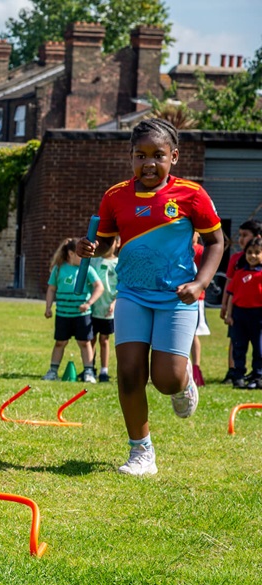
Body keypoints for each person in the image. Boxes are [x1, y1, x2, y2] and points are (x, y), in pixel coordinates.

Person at [77, 118, 223, 476]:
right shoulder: (115, 196)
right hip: (131, 294)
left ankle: (183, 382)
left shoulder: (192, 194)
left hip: (177, 297)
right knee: (128, 374)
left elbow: (216, 242)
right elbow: (108, 242)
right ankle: (141, 452)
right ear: (130, 158)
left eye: (158, 155)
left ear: (173, 156)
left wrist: (200, 283)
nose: (149, 163)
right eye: (140, 155)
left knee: (166, 380)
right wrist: (91, 248)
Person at [42, 238, 104, 383]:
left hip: (82, 315)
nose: (84, 257)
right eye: (80, 253)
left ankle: (89, 372)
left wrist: (88, 303)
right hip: (63, 314)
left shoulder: (87, 269)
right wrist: (48, 308)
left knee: (85, 343)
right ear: (70, 253)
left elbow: (99, 287)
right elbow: (51, 289)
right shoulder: (59, 269)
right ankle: (53, 371)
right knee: (60, 343)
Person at [220, 220, 262, 383]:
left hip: (258, 315)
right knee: (237, 343)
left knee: (258, 347)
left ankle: (257, 374)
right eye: (240, 235)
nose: (240, 240)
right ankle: (235, 372)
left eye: (245, 235)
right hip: (239, 312)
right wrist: (225, 307)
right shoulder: (238, 263)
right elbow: (230, 287)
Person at [89, 236, 119, 382]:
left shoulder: (117, 264)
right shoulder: (94, 261)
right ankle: (89, 368)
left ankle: (104, 371)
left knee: (104, 340)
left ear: (117, 243)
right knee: (91, 339)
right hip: (93, 308)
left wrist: (114, 303)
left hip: (108, 309)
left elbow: (120, 287)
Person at [190, 232, 208, 386]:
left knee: (193, 334)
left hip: (197, 298)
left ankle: (196, 367)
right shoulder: (180, 248)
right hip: (179, 294)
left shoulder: (201, 251)